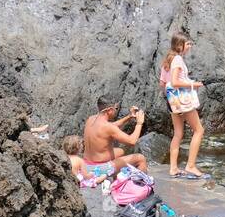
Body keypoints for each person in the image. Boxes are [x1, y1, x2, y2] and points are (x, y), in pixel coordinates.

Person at [160, 31, 208, 179]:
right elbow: (175, 82)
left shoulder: (167, 61)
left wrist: (172, 97)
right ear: (180, 45)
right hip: (183, 102)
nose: (190, 46)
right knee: (199, 130)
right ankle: (191, 166)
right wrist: (193, 84)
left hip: (172, 102)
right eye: (188, 43)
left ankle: (173, 168)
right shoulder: (178, 60)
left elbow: (163, 83)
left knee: (178, 134)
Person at [82, 96, 149, 179]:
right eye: (116, 108)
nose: (116, 111)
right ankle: (141, 184)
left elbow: (112, 126)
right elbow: (132, 141)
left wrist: (129, 116)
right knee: (140, 158)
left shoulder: (91, 119)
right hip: (99, 169)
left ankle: (116, 181)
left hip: (86, 165)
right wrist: (139, 123)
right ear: (110, 110)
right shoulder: (108, 127)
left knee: (120, 151)